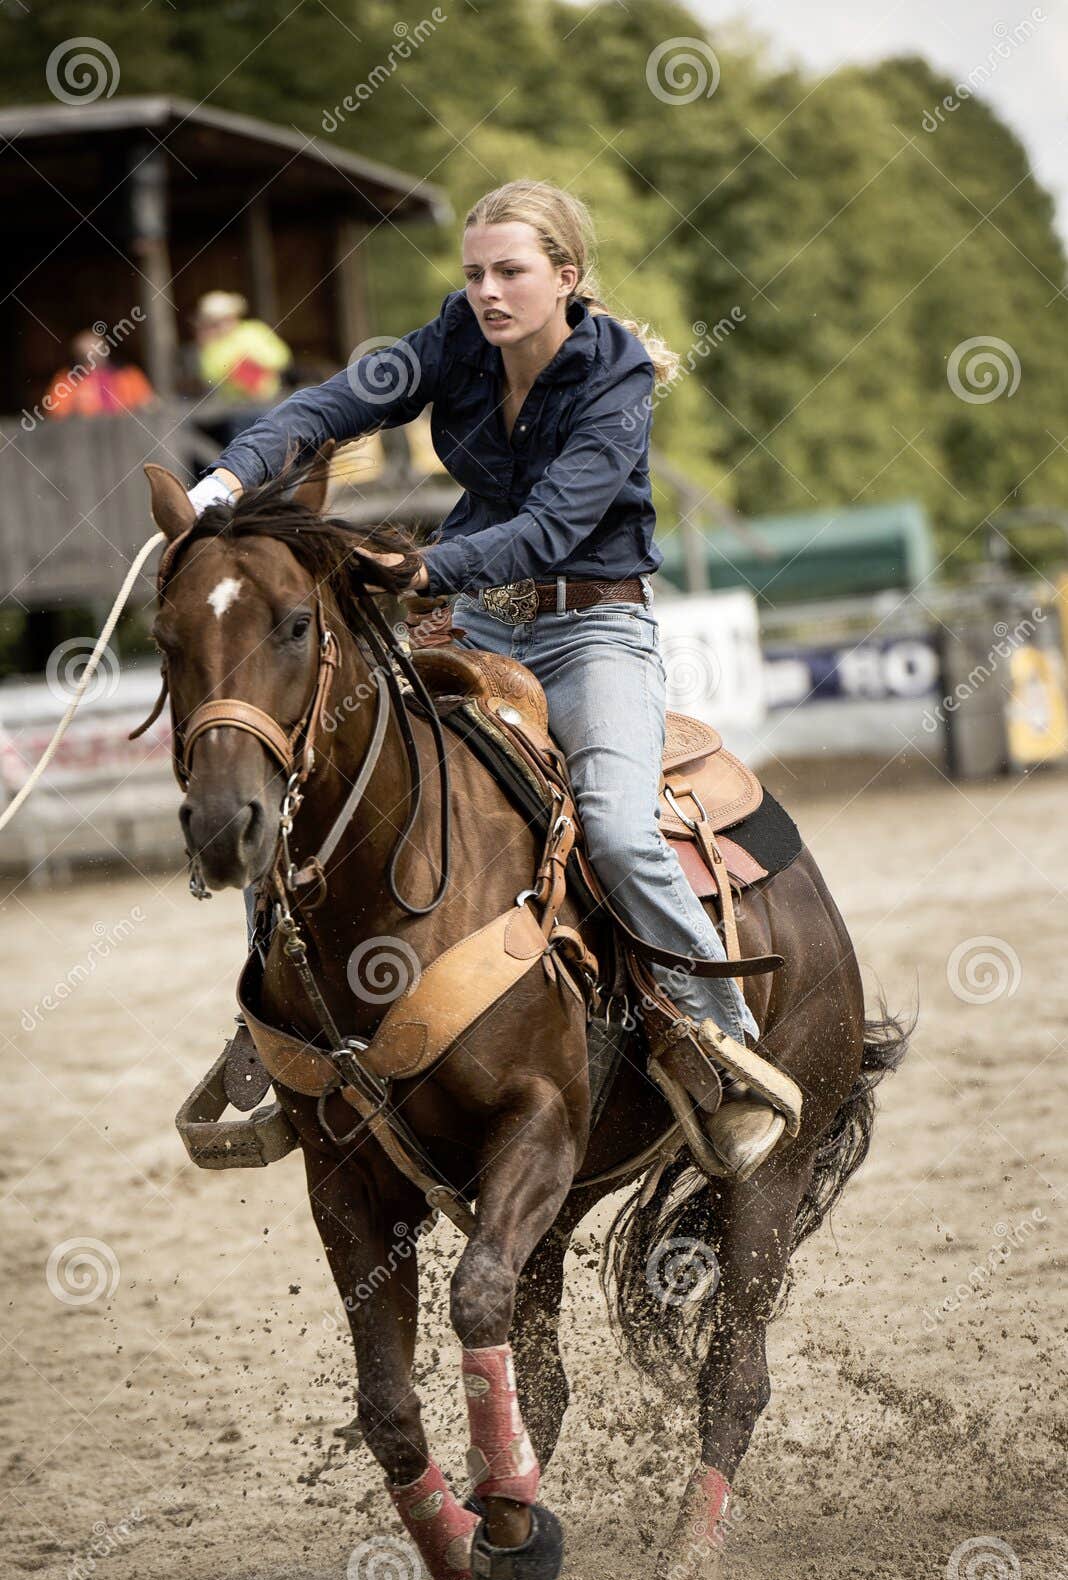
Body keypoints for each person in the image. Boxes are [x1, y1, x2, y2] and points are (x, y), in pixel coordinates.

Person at [187, 179, 801, 1181]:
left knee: (611, 822)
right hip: (475, 622)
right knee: (328, 779)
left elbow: (557, 525)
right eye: (474, 272)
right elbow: (333, 404)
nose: (487, 290)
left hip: (593, 626)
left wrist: (427, 568)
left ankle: (724, 1047)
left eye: (511, 271)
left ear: (566, 277)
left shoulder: (615, 379)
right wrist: (226, 479)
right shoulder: (451, 337)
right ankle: (276, 1041)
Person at [193, 291, 292, 418]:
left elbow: (282, 357)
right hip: (235, 408)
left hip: (270, 402)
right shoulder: (211, 344)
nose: (221, 324)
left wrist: (255, 362)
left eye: (223, 318)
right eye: (215, 321)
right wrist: (233, 370)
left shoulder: (255, 330)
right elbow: (208, 376)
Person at [42, 329, 154, 419]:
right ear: (76, 357)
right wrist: (75, 406)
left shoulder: (128, 376)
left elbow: (150, 405)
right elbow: (54, 416)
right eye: (84, 356)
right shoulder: (65, 382)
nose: (91, 361)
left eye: (96, 353)